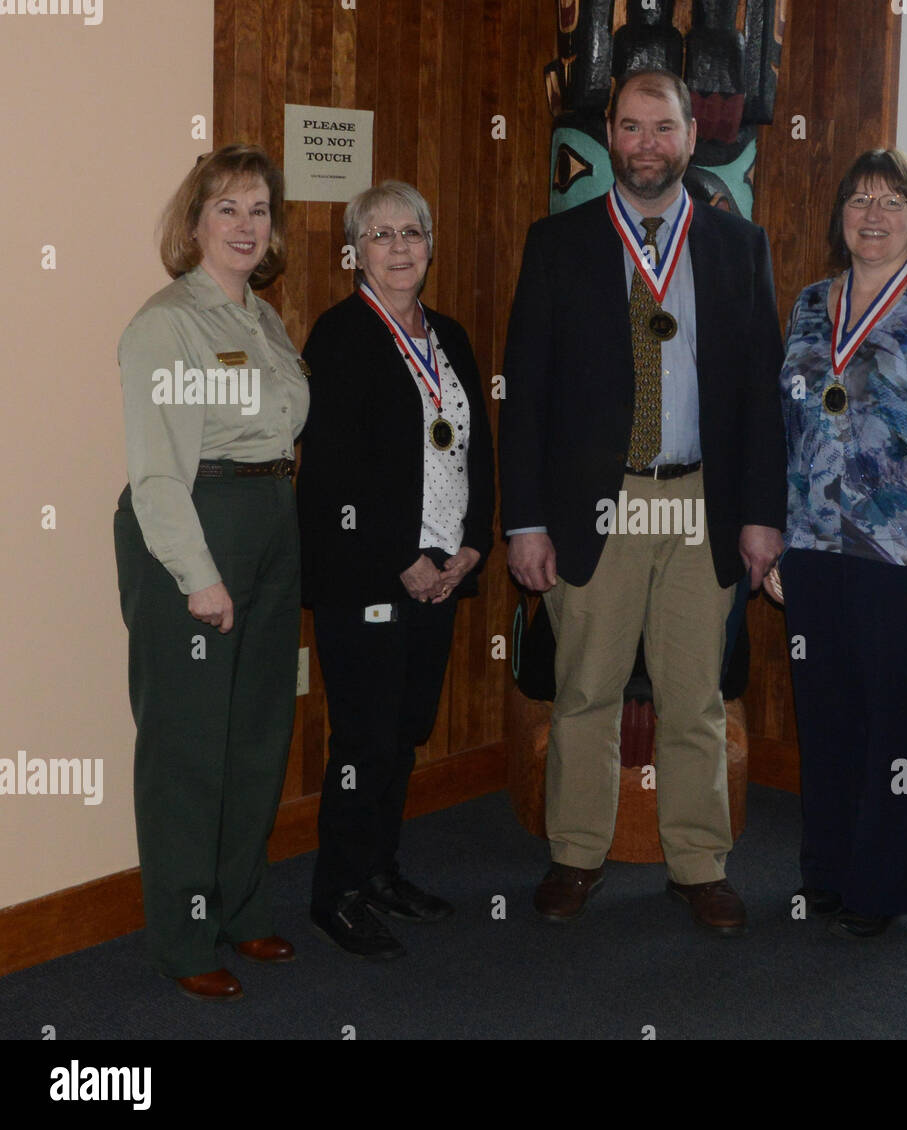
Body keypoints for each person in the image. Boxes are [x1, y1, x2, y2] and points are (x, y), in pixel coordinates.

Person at [500, 67, 785, 935]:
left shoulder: (740, 247)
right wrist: (524, 522)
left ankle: (699, 863)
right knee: (584, 688)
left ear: (693, 136)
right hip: (599, 502)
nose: (646, 145)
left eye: (663, 128)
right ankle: (576, 854)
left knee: (694, 695)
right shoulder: (560, 243)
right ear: (611, 136)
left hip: (703, 499)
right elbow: (528, 394)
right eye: (630, 128)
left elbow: (763, 394)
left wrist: (763, 514)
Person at [763, 150, 907, 940]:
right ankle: (825, 872)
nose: (873, 215)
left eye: (892, 201)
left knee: (893, 724)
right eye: (859, 200)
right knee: (823, 718)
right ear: (841, 217)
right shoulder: (807, 304)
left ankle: (880, 887)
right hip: (816, 548)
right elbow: (786, 432)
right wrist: (783, 541)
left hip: (905, 554)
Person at [113, 144, 309, 1000]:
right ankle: (185, 936)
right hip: (194, 529)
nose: (244, 225)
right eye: (225, 208)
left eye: (258, 209)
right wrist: (199, 574)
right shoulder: (166, 323)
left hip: (269, 521)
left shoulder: (263, 319)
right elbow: (156, 470)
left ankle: (240, 908)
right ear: (192, 223)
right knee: (189, 746)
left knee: (258, 735)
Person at [296, 181, 495, 960]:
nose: (400, 247)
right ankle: (335, 892)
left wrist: (474, 542)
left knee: (406, 731)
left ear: (430, 242)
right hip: (371, 580)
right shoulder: (339, 336)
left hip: (443, 570)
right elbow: (334, 479)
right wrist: (400, 561)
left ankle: (380, 870)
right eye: (380, 234)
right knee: (364, 740)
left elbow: (476, 444)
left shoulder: (447, 335)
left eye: (412, 231)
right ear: (356, 251)